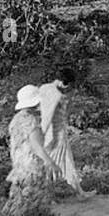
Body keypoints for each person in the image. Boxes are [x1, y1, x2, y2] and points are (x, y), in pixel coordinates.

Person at [4, 84, 62, 215]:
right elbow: (37, 147)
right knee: (34, 206)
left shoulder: (15, 120)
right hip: (33, 169)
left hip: (19, 168)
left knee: (17, 203)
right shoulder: (30, 121)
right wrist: (51, 163)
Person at [38, 66, 95, 199]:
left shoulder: (44, 88)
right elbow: (49, 115)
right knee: (66, 162)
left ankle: (50, 193)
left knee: (51, 162)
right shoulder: (57, 95)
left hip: (47, 133)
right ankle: (79, 193)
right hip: (56, 134)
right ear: (64, 82)